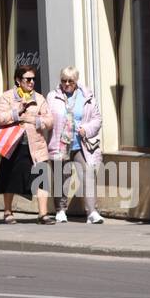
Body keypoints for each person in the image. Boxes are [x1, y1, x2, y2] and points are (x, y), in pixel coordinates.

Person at [0, 63, 55, 223]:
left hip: (36, 146)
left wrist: (33, 119)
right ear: (18, 80)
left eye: (33, 79)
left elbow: (50, 121)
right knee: (10, 179)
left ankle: (43, 214)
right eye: (28, 79)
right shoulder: (7, 97)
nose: (31, 82)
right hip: (13, 146)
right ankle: (7, 212)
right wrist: (17, 112)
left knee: (41, 179)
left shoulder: (39, 99)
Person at [46, 66, 104, 224]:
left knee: (88, 174)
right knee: (61, 177)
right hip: (60, 143)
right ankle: (60, 211)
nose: (66, 84)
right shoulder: (52, 97)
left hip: (81, 144)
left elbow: (97, 119)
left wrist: (86, 129)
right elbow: (46, 117)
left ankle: (92, 212)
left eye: (70, 81)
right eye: (63, 81)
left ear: (76, 81)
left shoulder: (87, 96)